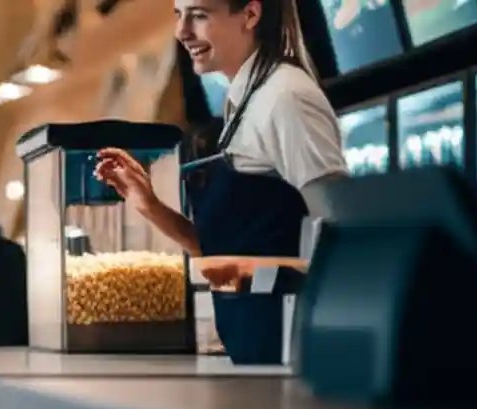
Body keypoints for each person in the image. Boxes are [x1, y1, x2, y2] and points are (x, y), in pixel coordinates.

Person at [95, 0, 348, 363]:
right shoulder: (242, 101)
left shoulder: (286, 98)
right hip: (255, 352)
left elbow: (340, 233)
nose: (182, 32)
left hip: (292, 359)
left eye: (199, 15)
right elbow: (236, 249)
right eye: (178, 15)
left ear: (250, 14)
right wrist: (149, 205)